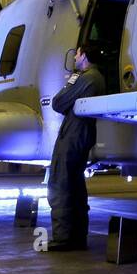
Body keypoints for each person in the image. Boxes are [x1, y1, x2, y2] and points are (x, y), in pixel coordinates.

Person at [46, 45, 106, 251]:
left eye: (78, 54)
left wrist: (68, 85)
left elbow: (57, 102)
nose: (75, 57)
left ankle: (63, 238)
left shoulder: (84, 77)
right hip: (83, 134)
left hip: (72, 134)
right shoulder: (97, 77)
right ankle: (78, 236)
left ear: (85, 56)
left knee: (60, 184)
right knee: (75, 186)